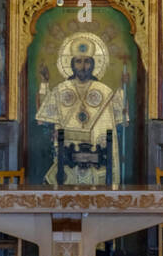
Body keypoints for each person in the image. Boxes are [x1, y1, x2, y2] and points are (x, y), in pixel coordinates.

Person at [35, 32, 127, 186]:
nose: (83, 66)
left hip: (97, 161)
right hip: (68, 158)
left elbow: (121, 119)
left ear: (93, 64)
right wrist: (44, 84)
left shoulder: (105, 91)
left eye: (87, 61)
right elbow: (44, 118)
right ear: (71, 64)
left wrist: (123, 89)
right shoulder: (61, 90)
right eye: (78, 61)